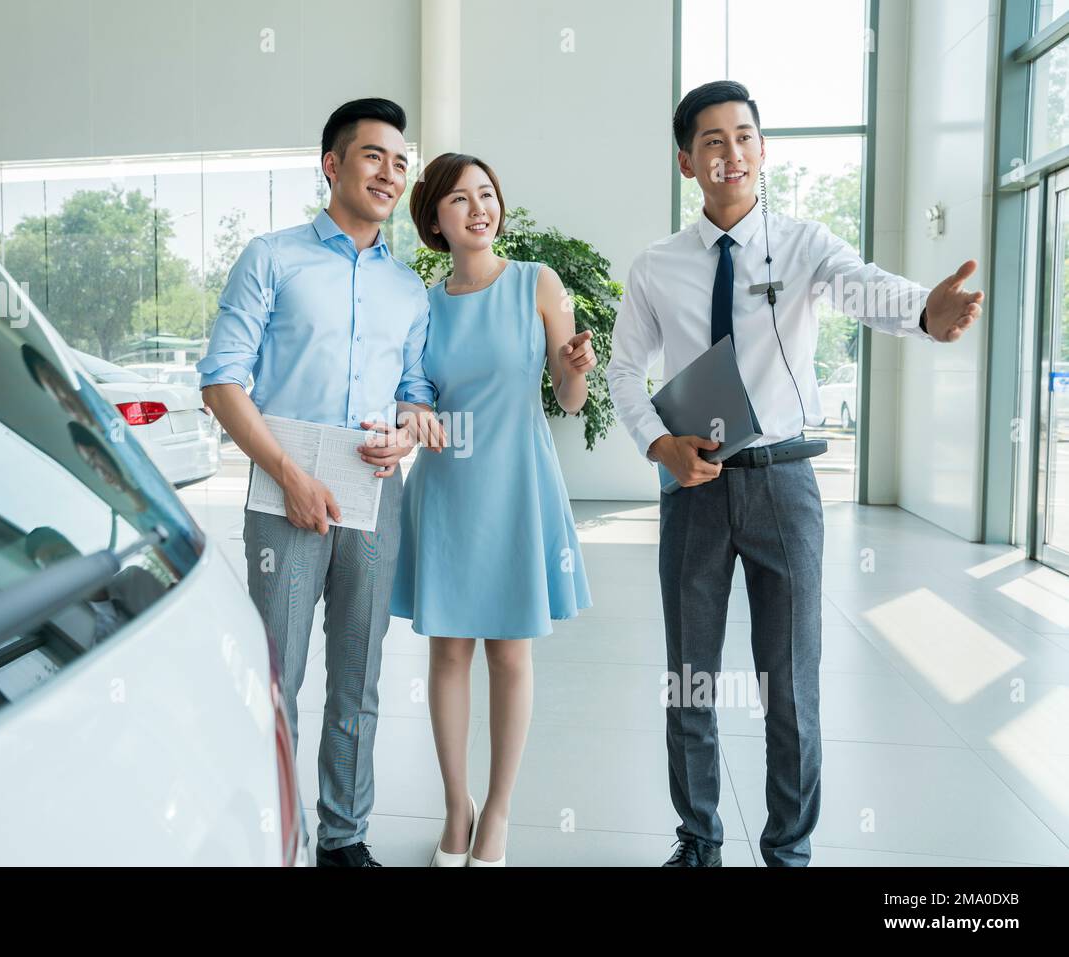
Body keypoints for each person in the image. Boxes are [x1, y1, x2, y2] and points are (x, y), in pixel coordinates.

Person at [606, 80, 982, 867]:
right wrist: (657, 446)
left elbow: (867, 287)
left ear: (763, 151)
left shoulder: (805, 244)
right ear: (687, 161)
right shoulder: (656, 266)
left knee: (791, 685)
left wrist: (923, 311)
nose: (731, 153)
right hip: (694, 488)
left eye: (744, 137)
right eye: (712, 141)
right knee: (691, 682)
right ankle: (698, 841)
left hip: (784, 486)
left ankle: (789, 850)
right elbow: (620, 373)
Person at [198, 98, 446, 868]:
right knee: (279, 672)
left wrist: (410, 427)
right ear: (333, 165)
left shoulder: (410, 289)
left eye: (400, 162)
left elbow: (415, 390)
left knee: (360, 674)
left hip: (374, 495)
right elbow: (222, 382)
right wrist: (289, 476)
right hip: (284, 491)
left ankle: (344, 837)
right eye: (374, 156)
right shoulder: (270, 258)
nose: (390, 172)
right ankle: (279, 835)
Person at [391, 153, 595, 867]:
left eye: (486, 194)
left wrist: (573, 372)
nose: (478, 208)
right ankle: (457, 807)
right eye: (459, 199)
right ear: (435, 221)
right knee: (447, 649)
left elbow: (568, 399)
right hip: (448, 487)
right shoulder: (422, 302)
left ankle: (499, 811)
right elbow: (413, 392)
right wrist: (411, 415)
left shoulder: (539, 283)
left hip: (517, 484)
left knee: (510, 651)